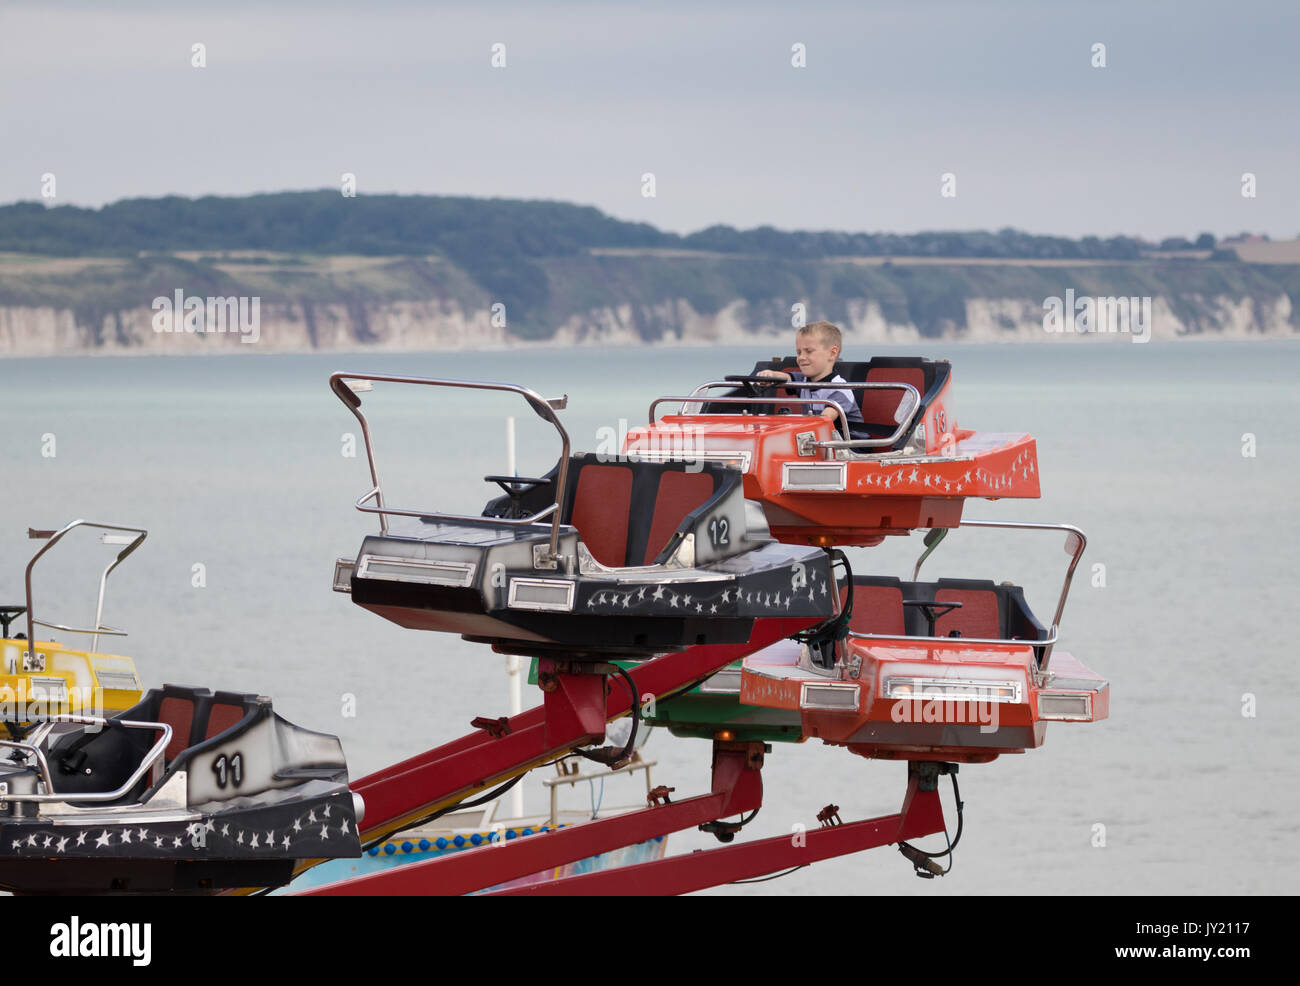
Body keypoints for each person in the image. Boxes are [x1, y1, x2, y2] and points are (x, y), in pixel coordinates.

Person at [756, 321, 864, 436]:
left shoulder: (840, 389)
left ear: (832, 353)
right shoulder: (803, 381)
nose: (801, 358)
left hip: (851, 446)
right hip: (823, 440)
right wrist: (770, 375)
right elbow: (786, 378)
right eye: (799, 352)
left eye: (809, 351)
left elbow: (823, 420)